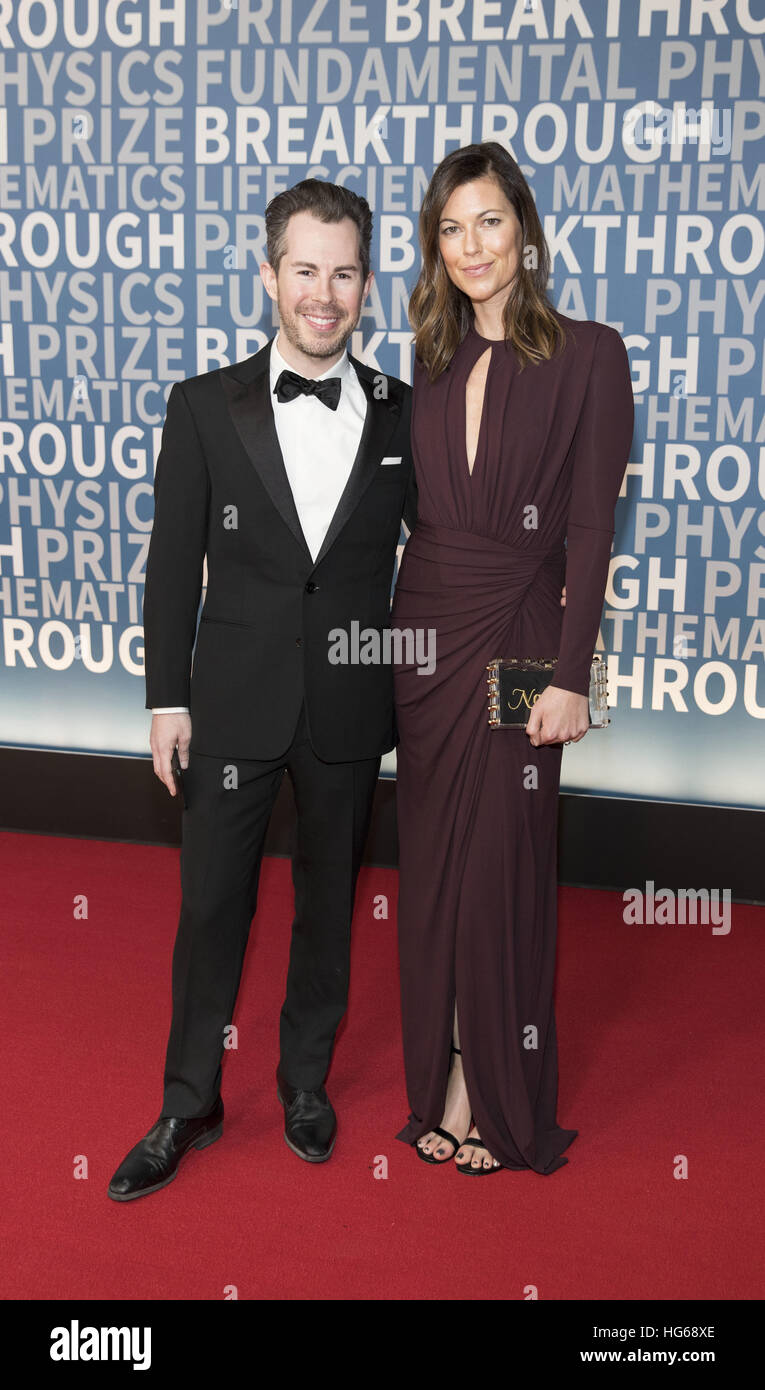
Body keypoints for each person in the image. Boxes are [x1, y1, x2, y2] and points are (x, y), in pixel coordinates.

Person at [108, 179, 417, 1201]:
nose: (322, 293)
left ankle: (304, 1082)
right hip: (230, 704)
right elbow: (170, 564)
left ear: (367, 284)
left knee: (330, 905)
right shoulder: (203, 405)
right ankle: (188, 1097)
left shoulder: (402, 416)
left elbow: (442, 563)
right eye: (304, 269)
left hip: (347, 706)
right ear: (268, 273)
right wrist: (166, 698)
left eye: (343, 272)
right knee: (211, 911)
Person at [392, 142, 634, 1175]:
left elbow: (591, 530)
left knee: (505, 864)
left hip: (528, 631)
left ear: (525, 232)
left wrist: (573, 676)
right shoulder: (431, 357)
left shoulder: (590, 352)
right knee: (438, 870)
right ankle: (447, 1069)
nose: (472, 246)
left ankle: (500, 1086)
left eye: (489, 221)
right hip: (427, 637)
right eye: (451, 229)